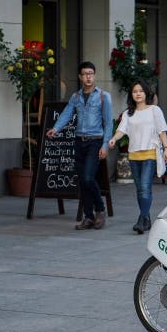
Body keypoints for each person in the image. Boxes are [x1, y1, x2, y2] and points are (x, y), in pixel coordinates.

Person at [46, 61, 113, 230]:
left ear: (95, 75)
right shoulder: (75, 97)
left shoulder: (103, 96)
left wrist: (105, 145)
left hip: (95, 141)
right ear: (80, 77)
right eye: (85, 74)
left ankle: (100, 209)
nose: (88, 77)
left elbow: (108, 124)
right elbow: (67, 114)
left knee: (89, 178)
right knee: (83, 181)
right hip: (78, 141)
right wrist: (56, 128)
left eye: (91, 73)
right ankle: (88, 217)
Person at [108, 80, 167, 234]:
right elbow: (121, 130)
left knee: (144, 187)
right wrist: (114, 139)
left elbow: (162, 131)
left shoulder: (155, 110)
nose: (138, 93)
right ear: (131, 94)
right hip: (134, 155)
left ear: (146, 93)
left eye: (141, 91)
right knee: (140, 189)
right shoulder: (128, 114)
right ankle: (146, 219)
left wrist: (166, 149)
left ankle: (141, 219)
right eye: (135, 91)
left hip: (149, 153)